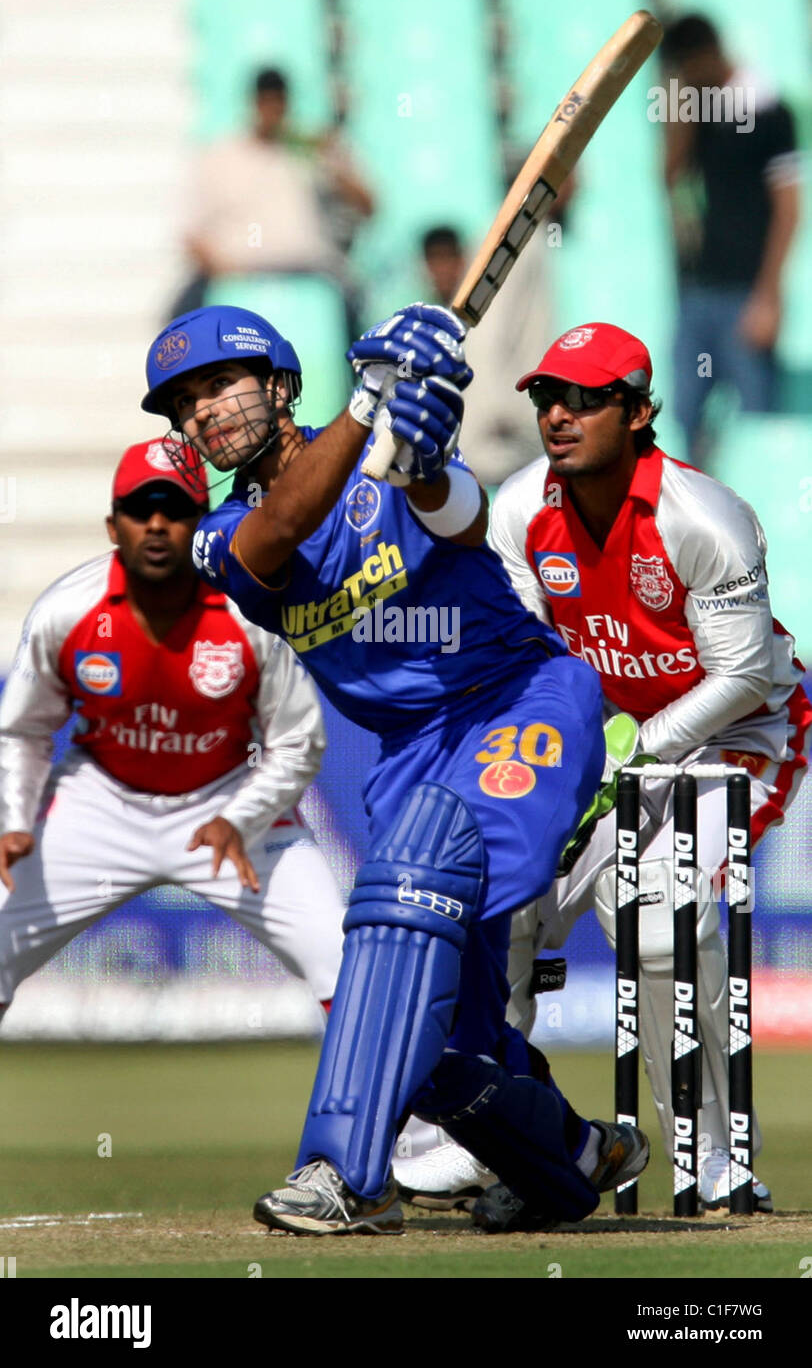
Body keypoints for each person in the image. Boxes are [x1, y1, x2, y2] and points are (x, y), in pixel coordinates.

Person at [139, 300, 651, 1236]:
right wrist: (371, 405)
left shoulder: (387, 467)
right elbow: (279, 532)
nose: (204, 413)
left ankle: (347, 1177)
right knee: (439, 1029)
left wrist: (417, 463)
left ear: (281, 383)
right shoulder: (223, 535)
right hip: (409, 755)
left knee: (407, 885)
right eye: (185, 406)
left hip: (519, 700)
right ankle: (574, 1157)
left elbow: (462, 519)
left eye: (220, 384)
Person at [466, 319, 810, 1228]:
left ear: (641, 410)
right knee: (509, 924)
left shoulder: (704, 519)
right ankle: (528, 1156)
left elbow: (743, 676)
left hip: (741, 730)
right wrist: (586, 745)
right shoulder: (519, 508)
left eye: (586, 398)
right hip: (613, 732)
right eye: (547, 396)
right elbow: (529, 657)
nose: (560, 415)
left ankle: (717, 1169)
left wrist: (644, 745)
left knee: (661, 925)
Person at [0, 440, 344, 1029]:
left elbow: (297, 740)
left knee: (346, 961)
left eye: (176, 509)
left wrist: (243, 816)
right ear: (114, 526)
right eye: (141, 509)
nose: (157, 525)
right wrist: (13, 818)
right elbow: (25, 730)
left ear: (200, 522)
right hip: (98, 800)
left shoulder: (246, 611)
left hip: (227, 797)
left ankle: (417, 1126)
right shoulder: (67, 610)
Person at [660, 15, 801, 464]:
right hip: (700, 288)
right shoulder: (701, 109)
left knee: (757, 417)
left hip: (746, 291)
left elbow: (788, 207)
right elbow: (670, 173)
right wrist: (681, 106)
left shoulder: (767, 108)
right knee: (686, 414)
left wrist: (769, 298)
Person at [171, 67, 375, 338]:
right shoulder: (221, 156)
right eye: (266, 101)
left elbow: (368, 207)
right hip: (237, 269)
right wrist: (222, 270)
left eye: (278, 102)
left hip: (308, 266)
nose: (273, 110)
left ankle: (355, 378)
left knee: (354, 309)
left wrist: (332, 162)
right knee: (181, 316)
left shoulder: (312, 150)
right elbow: (191, 233)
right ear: (253, 104)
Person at [419, 224, 552, 488]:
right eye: (435, 261)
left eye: (448, 259)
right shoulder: (417, 326)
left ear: (463, 260)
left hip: (508, 451)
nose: (442, 270)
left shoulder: (488, 316)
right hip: (459, 470)